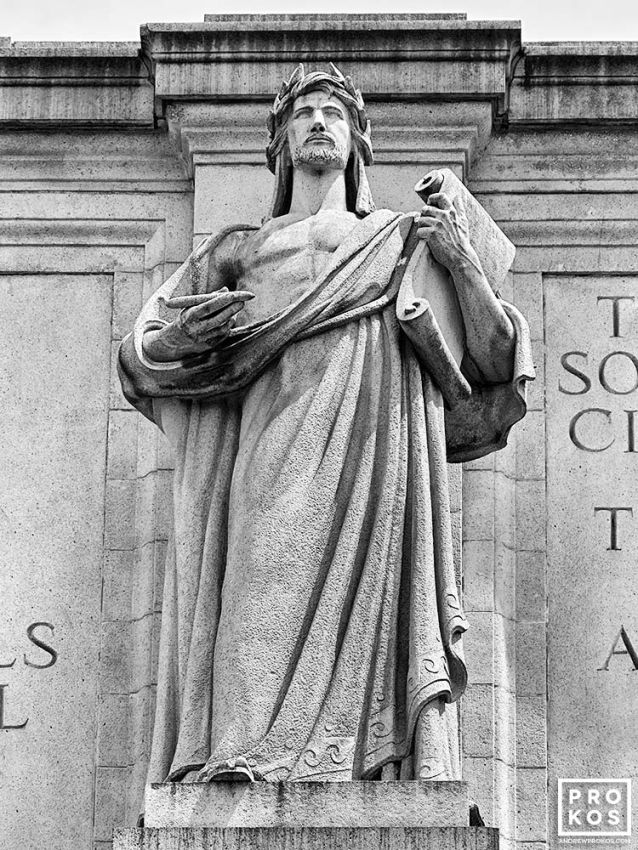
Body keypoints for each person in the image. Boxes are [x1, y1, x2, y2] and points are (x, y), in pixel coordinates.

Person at [119, 64, 532, 785]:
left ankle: (368, 760)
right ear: (278, 145)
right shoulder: (236, 250)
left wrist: (463, 263)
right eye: (303, 113)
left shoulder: (404, 239)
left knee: (376, 609)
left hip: (376, 452)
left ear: (358, 140)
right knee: (256, 588)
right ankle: (242, 753)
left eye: (333, 114)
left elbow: (498, 359)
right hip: (270, 443)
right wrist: (183, 341)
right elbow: (141, 350)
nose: (317, 122)